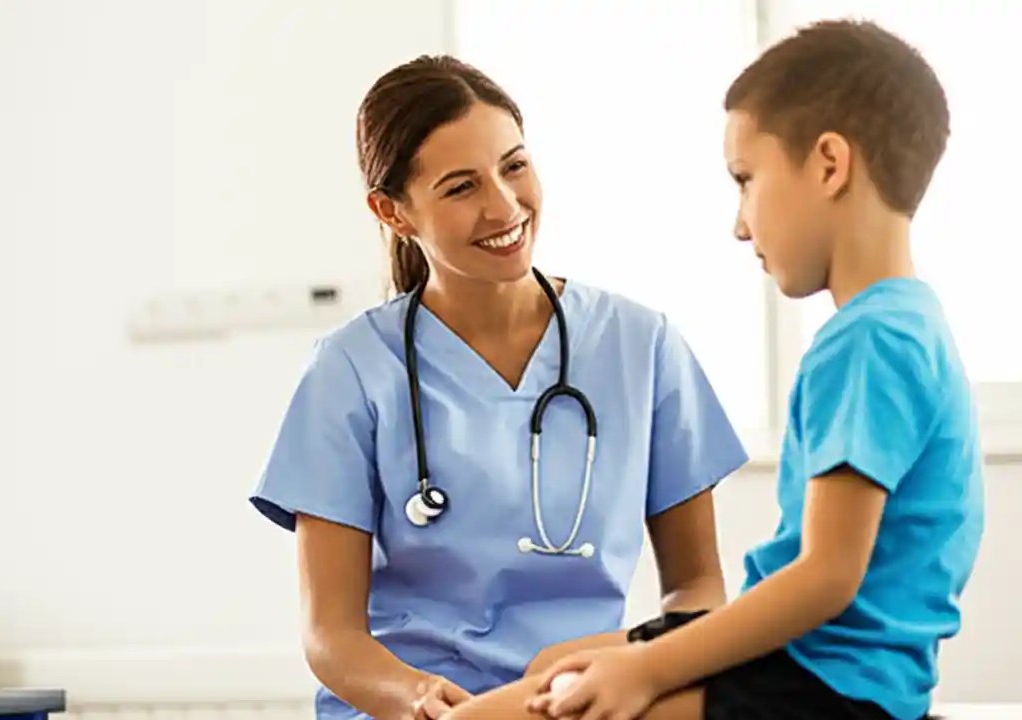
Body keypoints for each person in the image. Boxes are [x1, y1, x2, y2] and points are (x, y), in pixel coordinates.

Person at [441, 18, 985, 720]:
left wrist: (645, 669)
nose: (740, 223)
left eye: (746, 180)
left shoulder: (870, 341)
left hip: (824, 687)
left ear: (829, 164)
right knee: (555, 667)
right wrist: (639, 657)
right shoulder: (910, 322)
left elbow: (825, 578)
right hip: (820, 667)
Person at [248, 55, 749, 720]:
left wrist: (618, 666)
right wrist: (417, 697)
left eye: (514, 166)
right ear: (392, 211)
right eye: (461, 188)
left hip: (581, 699)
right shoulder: (351, 370)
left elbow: (697, 588)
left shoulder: (640, 345)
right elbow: (331, 637)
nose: (504, 205)